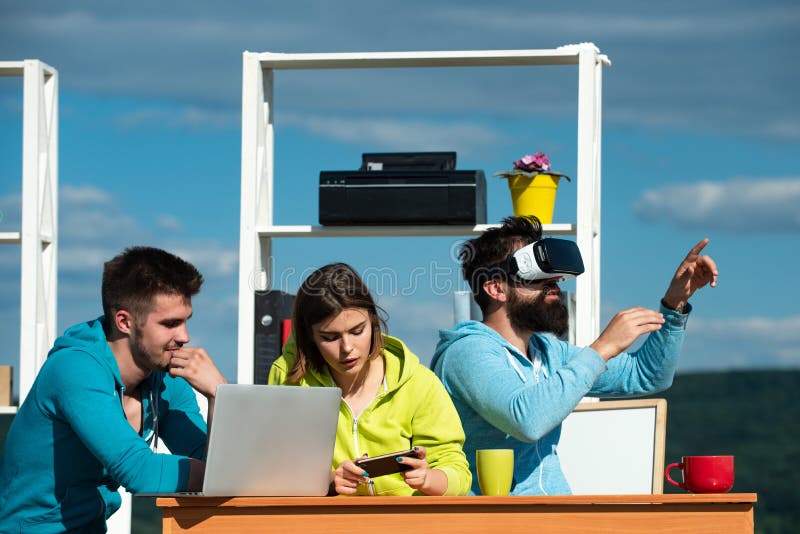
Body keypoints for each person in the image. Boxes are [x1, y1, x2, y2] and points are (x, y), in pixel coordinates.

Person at [431, 216, 719, 495]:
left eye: (555, 278)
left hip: (556, 512)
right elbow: (526, 420)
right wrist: (602, 348)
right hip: (494, 521)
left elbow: (647, 375)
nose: (554, 284)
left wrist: (675, 304)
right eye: (538, 277)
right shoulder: (467, 352)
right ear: (496, 288)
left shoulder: (548, 351)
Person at [0, 246, 227, 532]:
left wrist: (219, 395)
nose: (184, 336)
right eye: (170, 324)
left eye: (185, 321)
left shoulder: (165, 378)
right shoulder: (75, 368)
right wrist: (227, 475)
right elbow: (141, 473)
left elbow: (209, 459)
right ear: (124, 321)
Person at [269, 263, 471, 496]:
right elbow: (275, 466)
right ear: (309, 337)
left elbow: (458, 474)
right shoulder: (289, 378)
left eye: (357, 331)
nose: (347, 348)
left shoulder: (420, 383)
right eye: (330, 337)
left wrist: (429, 479)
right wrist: (330, 482)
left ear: (374, 321)